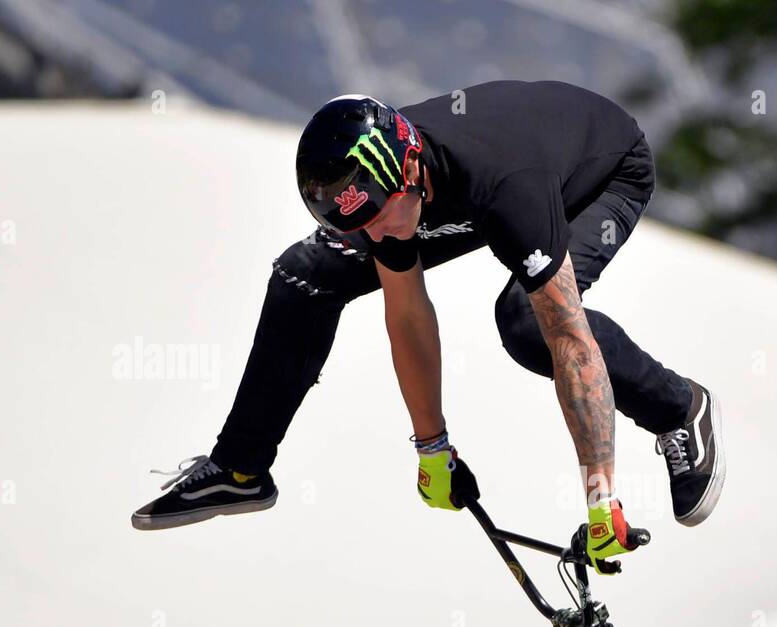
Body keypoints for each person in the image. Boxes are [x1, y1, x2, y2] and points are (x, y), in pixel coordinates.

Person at [132, 81, 724, 572]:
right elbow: (408, 314)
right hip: (468, 186)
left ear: (411, 169)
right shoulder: (386, 190)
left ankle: (680, 408)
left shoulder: (506, 187)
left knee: (527, 322)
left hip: (602, 170)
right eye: (357, 224)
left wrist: (600, 501)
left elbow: (570, 339)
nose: (374, 234)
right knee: (305, 274)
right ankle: (240, 468)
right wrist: (432, 446)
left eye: (377, 216)